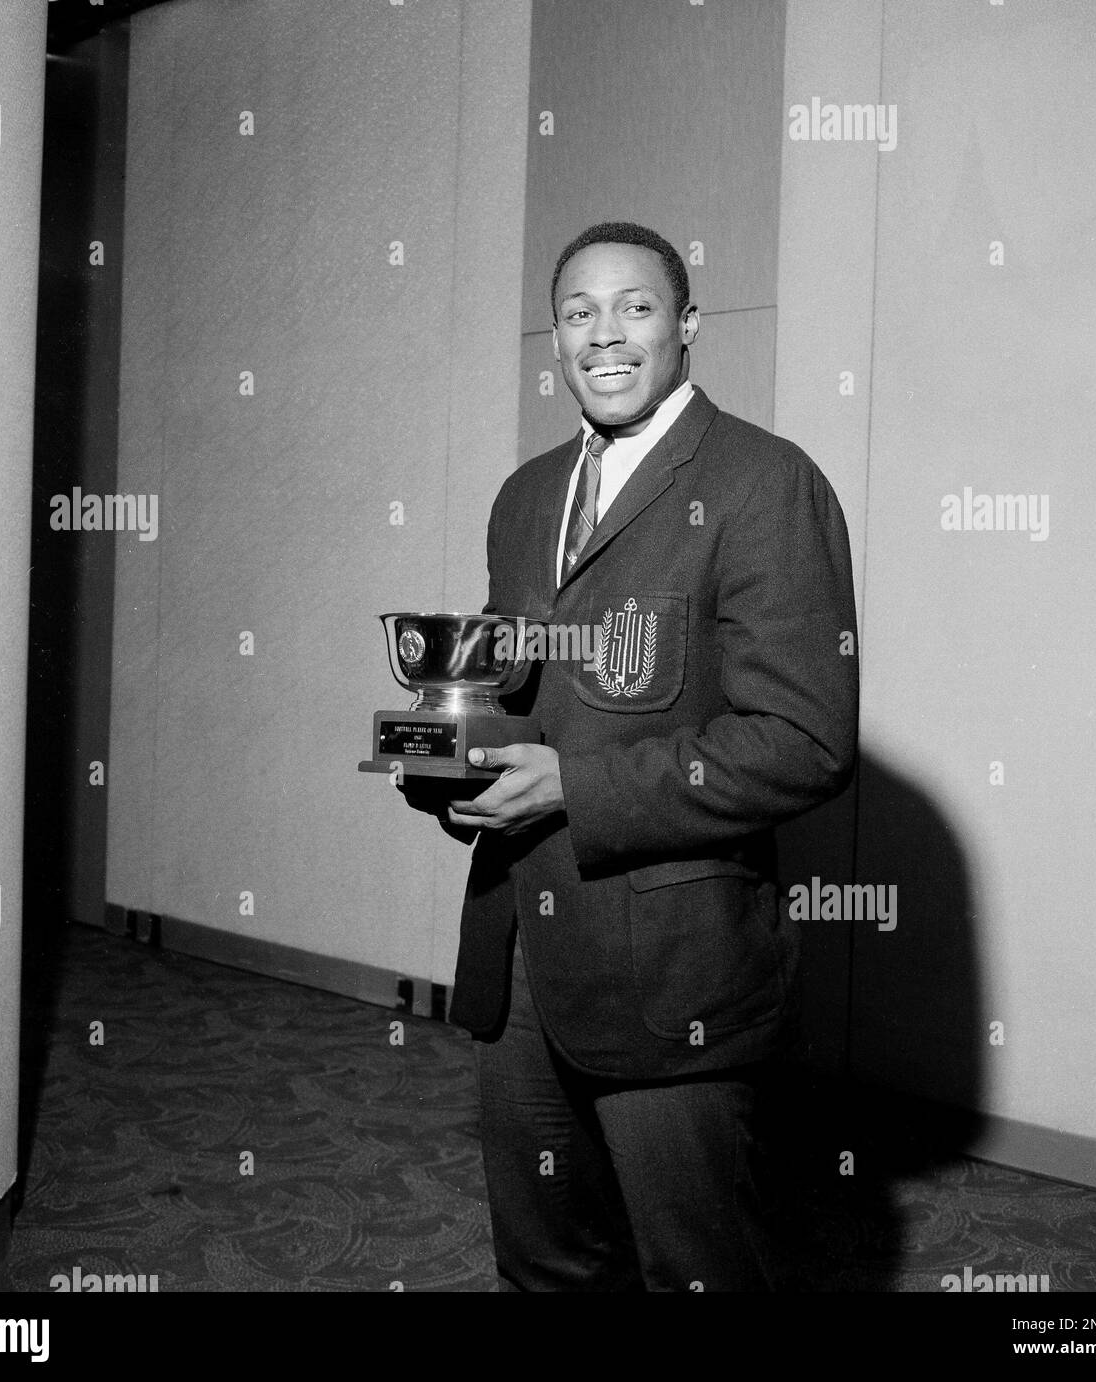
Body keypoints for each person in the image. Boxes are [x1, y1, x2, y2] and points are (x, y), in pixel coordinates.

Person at [403, 221, 859, 1291]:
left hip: (674, 967)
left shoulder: (764, 483)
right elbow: (515, 689)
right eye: (577, 313)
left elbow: (803, 740)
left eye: (635, 307)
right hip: (520, 953)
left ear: (687, 327)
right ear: (555, 340)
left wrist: (576, 784)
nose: (603, 334)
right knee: (545, 1260)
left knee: (695, 1268)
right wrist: (448, 757)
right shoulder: (525, 496)